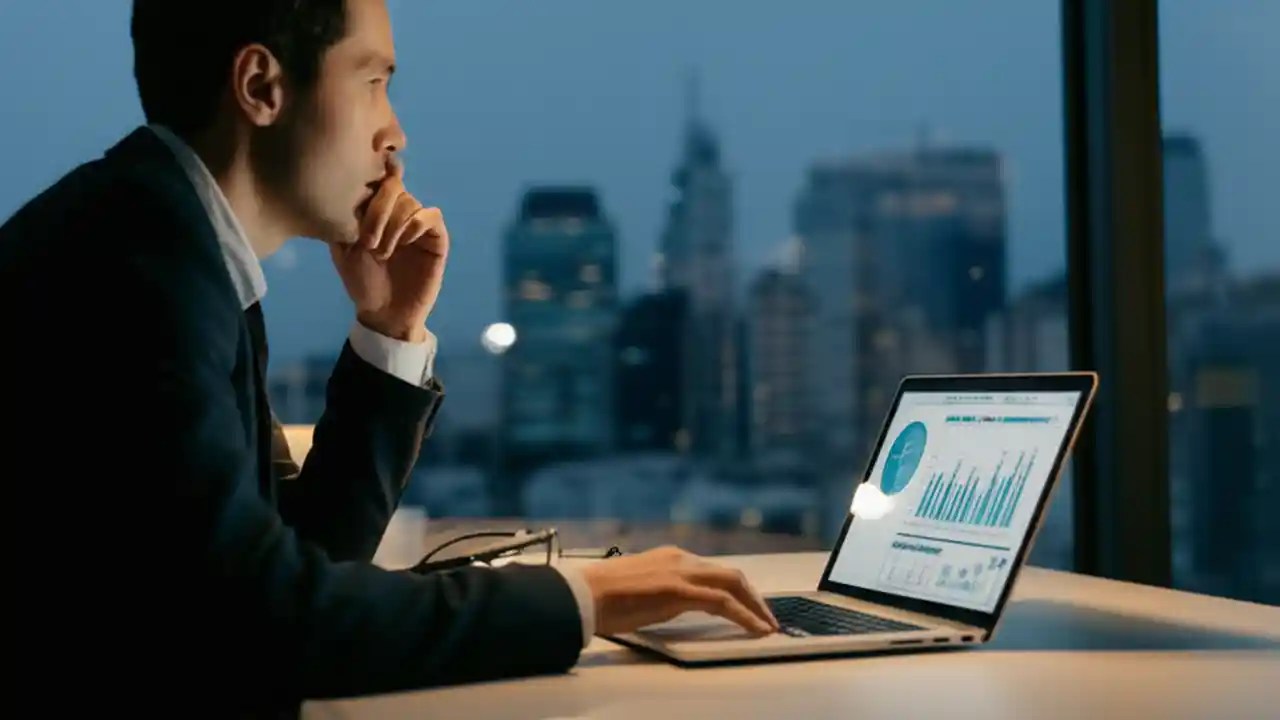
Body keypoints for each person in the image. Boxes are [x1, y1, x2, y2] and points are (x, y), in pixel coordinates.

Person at [0, 0, 778, 713]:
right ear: (262, 86)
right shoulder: (137, 270)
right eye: (373, 80)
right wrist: (582, 595)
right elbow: (262, 624)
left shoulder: (177, 249)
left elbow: (298, 563)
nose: (394, 132)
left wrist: (390, 326)